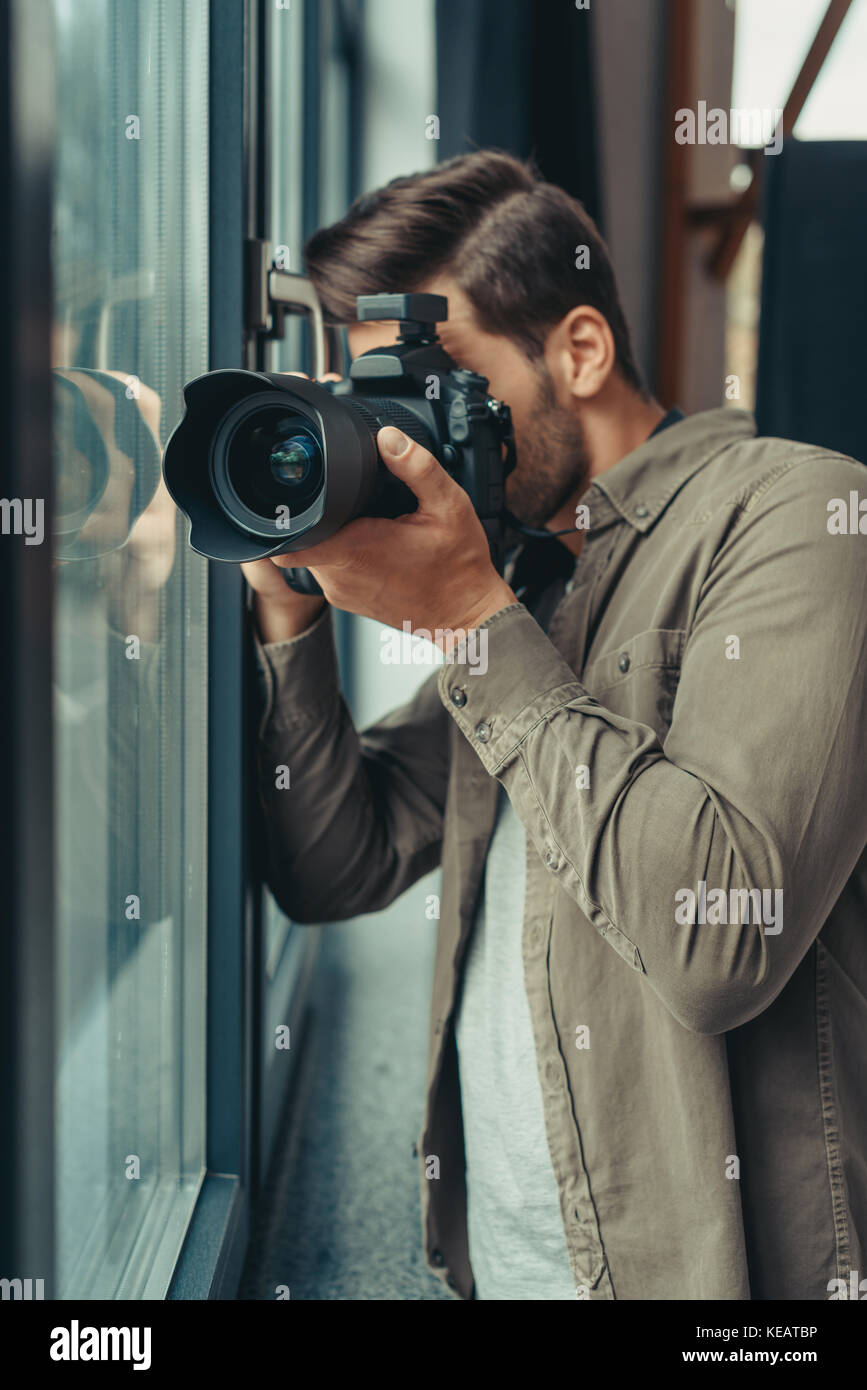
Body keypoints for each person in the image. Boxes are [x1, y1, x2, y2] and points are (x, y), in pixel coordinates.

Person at [242, 150, 867, 1301]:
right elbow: (339, 862)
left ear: (577, 350)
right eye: (370, 403)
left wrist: (471, 621)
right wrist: (291, 620)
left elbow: (718, 936)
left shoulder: (799, 514)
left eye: (428, 387)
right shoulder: (536, 583)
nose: (401, 440)